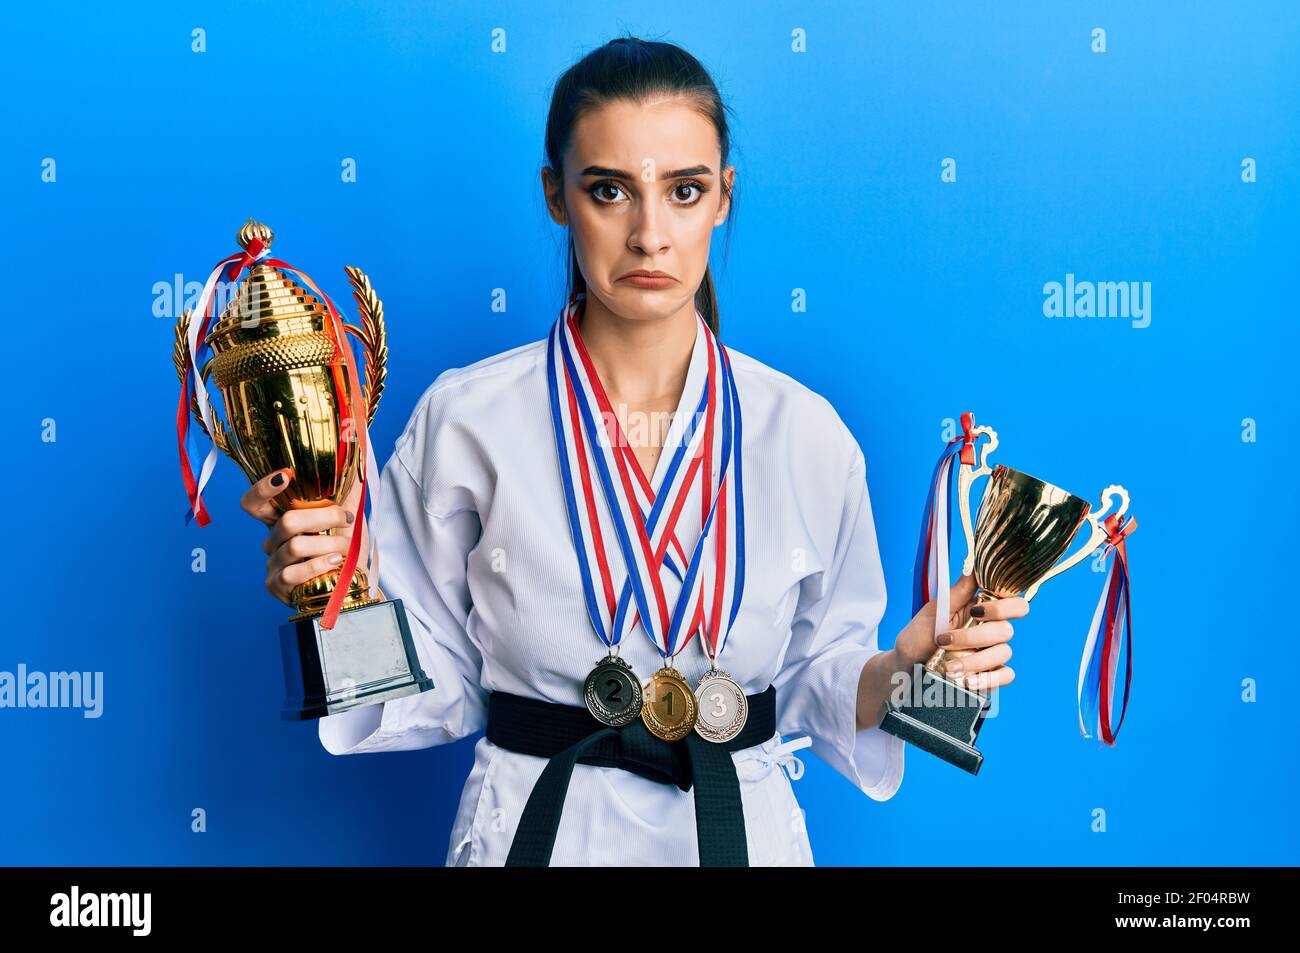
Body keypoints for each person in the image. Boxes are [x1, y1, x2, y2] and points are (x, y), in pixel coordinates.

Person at [240, 36, 1026, 867]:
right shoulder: (467, 418)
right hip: (536, 835)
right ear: (556, 196)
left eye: (683, 191)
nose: (650, 234)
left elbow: (819, 687)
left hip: (738, 838)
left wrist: (916, 674)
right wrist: (327, 597)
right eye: (609, 190)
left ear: (723, 198)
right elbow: (425, 682)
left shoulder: (804, 431)